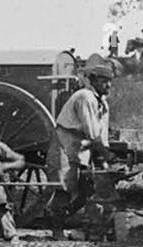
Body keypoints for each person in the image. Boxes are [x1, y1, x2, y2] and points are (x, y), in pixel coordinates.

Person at [47, 56, 114, 205]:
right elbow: (93, 133)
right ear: (93, 81)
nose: (108, 85)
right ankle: (55, 224)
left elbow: (101, 135)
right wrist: (107, 155)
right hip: (64, 145)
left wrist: (105, 155)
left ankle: (64, 219)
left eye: (110, 81)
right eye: (103, 81)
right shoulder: (85, 97)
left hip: (80, 148)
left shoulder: (102, 102)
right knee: (64, 188)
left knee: (84, 190)